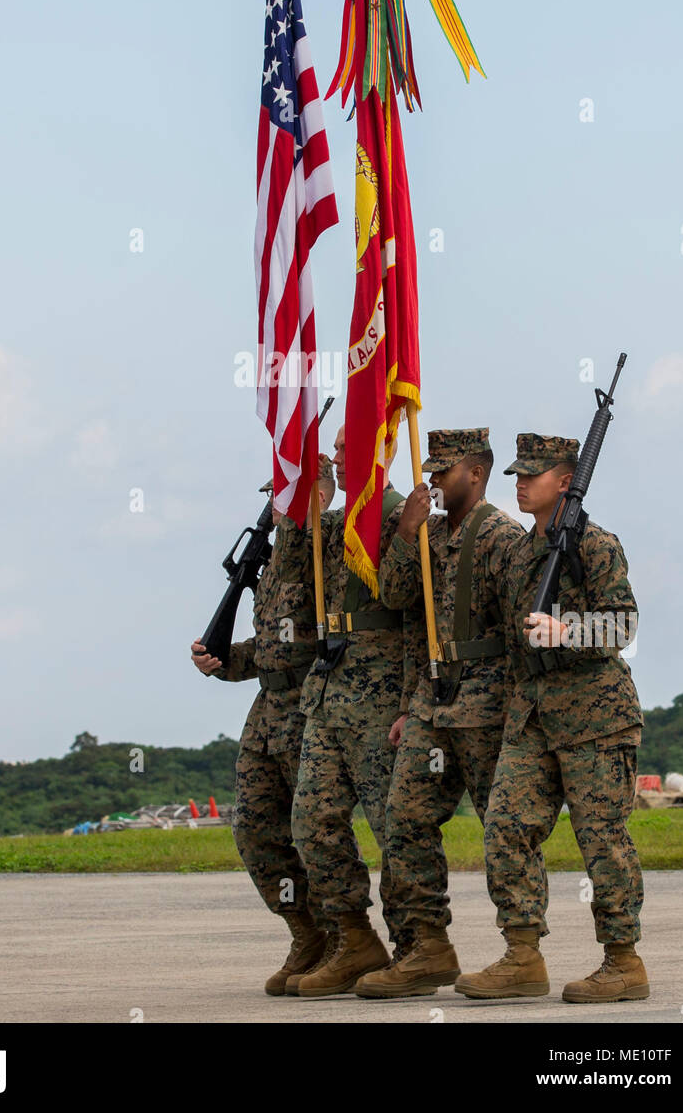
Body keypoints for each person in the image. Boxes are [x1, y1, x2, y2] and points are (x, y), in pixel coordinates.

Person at [455, 433, 647, 1003]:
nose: (519, 482)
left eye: (531, 474)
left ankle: (622, 961)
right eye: (515, 474)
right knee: (505, 826)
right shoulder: (519, 552)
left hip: (595, 717)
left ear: (565, 481)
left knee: (601, 841)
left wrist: (570, 630)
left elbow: (624, 627)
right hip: (533, 714)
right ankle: (521, 955)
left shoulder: (595, 544)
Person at [355, 428, 526, 998]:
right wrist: (405, 533)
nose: (431, 477)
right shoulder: (427, 534)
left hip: (487, 705)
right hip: (431, 704)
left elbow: (524, 630)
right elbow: (399, 602)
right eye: (429, 467)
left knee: (502, 830)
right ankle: (427, 946)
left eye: (444, 469)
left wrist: (520, 710)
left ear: (475, 473)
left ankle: (522, 953)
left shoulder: (503, 536)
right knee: (403, 821)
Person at [191, 461, 336, 997]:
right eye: (273, 496)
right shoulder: (272, 565)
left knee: (316, 830)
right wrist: (224, 660)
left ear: (319, 494)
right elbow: (269, 648)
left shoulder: (330, 553)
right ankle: (306, 931)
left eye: (285, 496)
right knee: (255, 828)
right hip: (268, 707)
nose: (275, 507)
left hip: (313, 705)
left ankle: (346, 937)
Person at [275, 424, 410, 998]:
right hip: (331, 696)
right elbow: (289, 574)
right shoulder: (335, 524)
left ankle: (419, 946)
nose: (332, 456)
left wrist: (413, 703)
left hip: (383, 699)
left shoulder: (400, 515)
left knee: (395, 830)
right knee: (312, 822)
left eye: (341, 447)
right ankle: (352, 938)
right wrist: (308, 510)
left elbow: (414, 608)